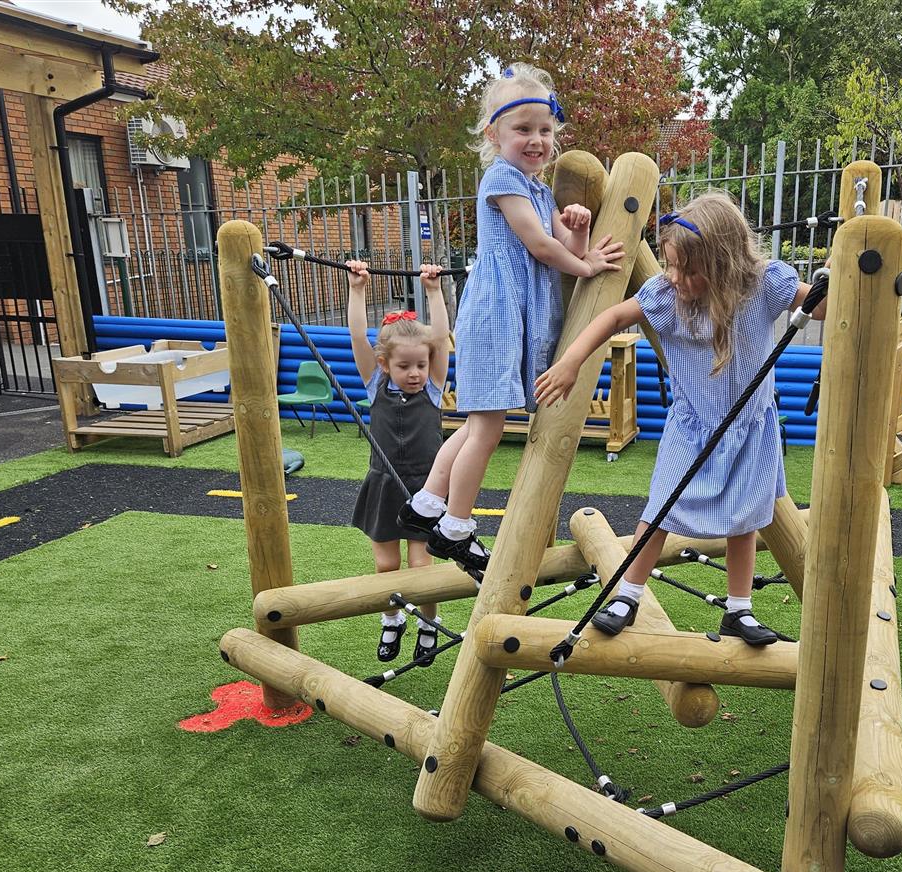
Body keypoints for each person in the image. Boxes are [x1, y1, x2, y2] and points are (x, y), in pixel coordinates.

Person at [535, 191, 825, 646]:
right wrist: (571, 361)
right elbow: (613, 316)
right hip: (690, 428)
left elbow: (818, 305)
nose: (676, 277)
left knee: (746, 518)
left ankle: (739, 610)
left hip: (751, 428)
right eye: (670, 265)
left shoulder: (762, 284)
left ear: (725, 264)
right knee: (659, 510)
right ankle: (627, 595)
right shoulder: (669, 296)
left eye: (689, 270)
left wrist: (839, 284)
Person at [398, 63, 624, 576]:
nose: (537, 140)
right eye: (522, 129)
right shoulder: (501, 178)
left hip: (513, 318)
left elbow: (563, 244)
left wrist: (581, 230)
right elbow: (542, 247)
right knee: (488, 428)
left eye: (545, 130)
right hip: (497, 315)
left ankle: (428, 502)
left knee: (482, 421)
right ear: (493, 134)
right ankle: (455, 526)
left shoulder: (540, 191)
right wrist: (583, 262)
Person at [348, 261, 450, 665]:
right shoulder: (376, 386)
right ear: (385, 364)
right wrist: (358, 290)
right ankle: (392, 620)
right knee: (386, 563)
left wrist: (433, 291)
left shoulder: (434, 389)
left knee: (421, 565)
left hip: (425, 488)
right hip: (386, 487)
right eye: (405, 366)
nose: (415, 374)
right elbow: (358, 336)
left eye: (421, 366)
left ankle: (428, 625)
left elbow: (440, 339)